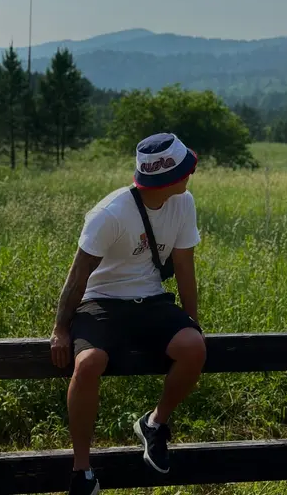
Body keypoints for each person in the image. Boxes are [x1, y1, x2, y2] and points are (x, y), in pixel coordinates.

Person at [50, 133, 206, 495]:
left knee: (193, 347)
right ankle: (82, 471)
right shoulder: (110, 213)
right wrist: (60, 328)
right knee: (88, 363)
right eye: (186, 169)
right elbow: (78, 275)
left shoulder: (183, 203)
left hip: (151, 300)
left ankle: (154, 423)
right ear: (166, 178)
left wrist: (192, 321)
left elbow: (184, 266)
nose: (192, 174)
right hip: (101, 301)